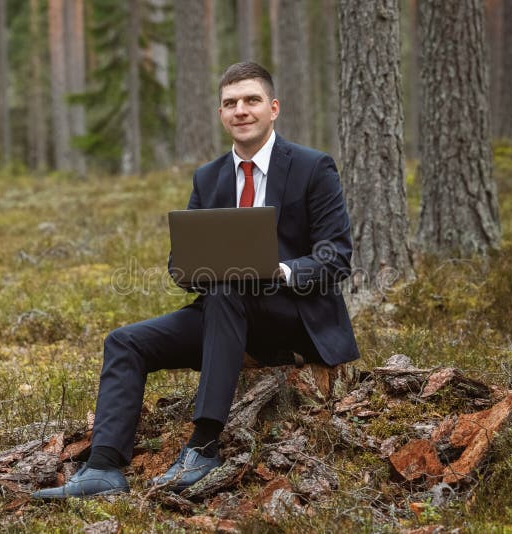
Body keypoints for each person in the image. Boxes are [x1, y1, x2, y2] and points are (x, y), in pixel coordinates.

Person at [32, 62, 359, 499]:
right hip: (224, 313)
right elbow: (178, 263)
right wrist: (193, 269)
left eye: (251, 100)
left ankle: (203, 447)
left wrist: (277, 269)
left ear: (273, 108)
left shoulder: (312, 167)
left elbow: (335, 257)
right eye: (230, 103)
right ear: (222, 113)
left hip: (293, 315)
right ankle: (104, 467)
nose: (240, 110)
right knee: (125, 341)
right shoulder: (209, 177)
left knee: (228, 289)